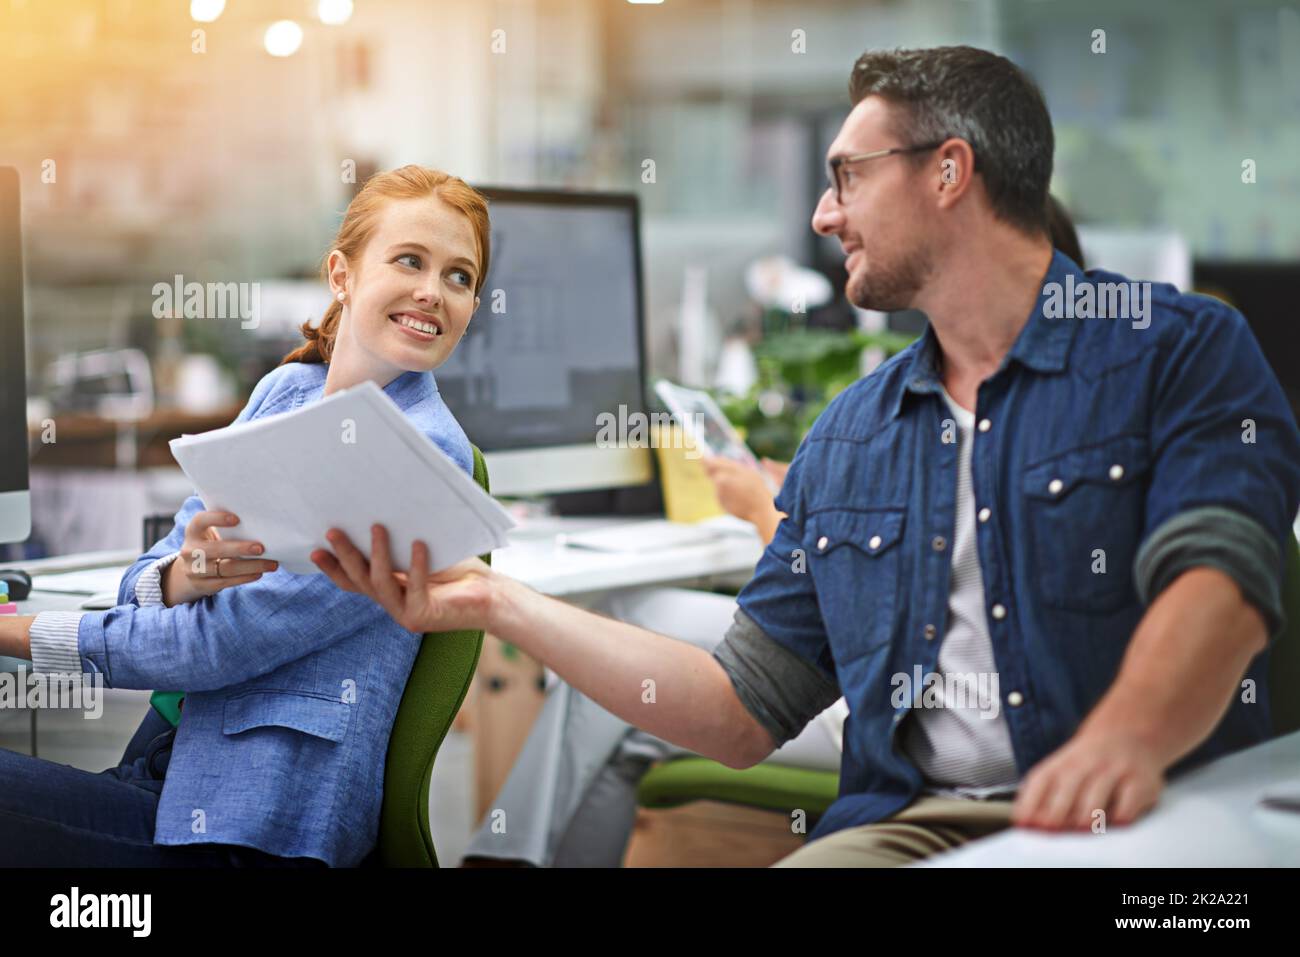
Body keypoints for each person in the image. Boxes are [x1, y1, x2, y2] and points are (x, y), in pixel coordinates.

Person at [314, 46, 1300, 867]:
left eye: (846, 177)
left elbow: (1219, 572)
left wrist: (1126, 738)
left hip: (1151, 809)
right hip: (914, 827)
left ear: (947, 173)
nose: (824, 217)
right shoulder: (854, 434)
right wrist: (495, 601)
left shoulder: (1173, 350)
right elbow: (744, 707)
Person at [0, 165, 489, 867]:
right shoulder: (288, 390)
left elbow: (214, 649)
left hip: (251, 829)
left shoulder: (417, 449)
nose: (431, 292)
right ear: (341, 274)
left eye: (459, 276)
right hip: (169, 774)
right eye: (410, 260)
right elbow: (150, 571)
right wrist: (179, 579)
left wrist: (10, 632)